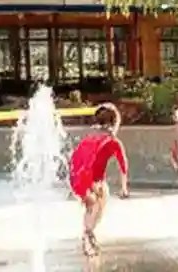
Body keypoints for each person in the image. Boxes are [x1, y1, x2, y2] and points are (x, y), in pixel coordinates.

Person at [68, 103, 130, 257]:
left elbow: (77, 158)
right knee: (95, 206)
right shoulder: (113, 141)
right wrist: (124, 188)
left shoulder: (91, 137)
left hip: (82, 176)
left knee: (97, 204)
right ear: (115, 123)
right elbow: (123, 164)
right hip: (89, 179)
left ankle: (88, 235)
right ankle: (88, 235)